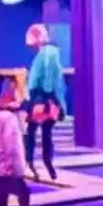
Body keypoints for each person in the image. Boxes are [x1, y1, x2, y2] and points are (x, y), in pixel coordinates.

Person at [24, 23, 65, 181]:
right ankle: (45, 164)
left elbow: (47, 76)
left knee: (33, 131)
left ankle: (33, 162)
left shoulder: (47, 53)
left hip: (42, 96)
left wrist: (50, 98)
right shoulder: (48, 52)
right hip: (46, 95)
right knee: (44, 133)